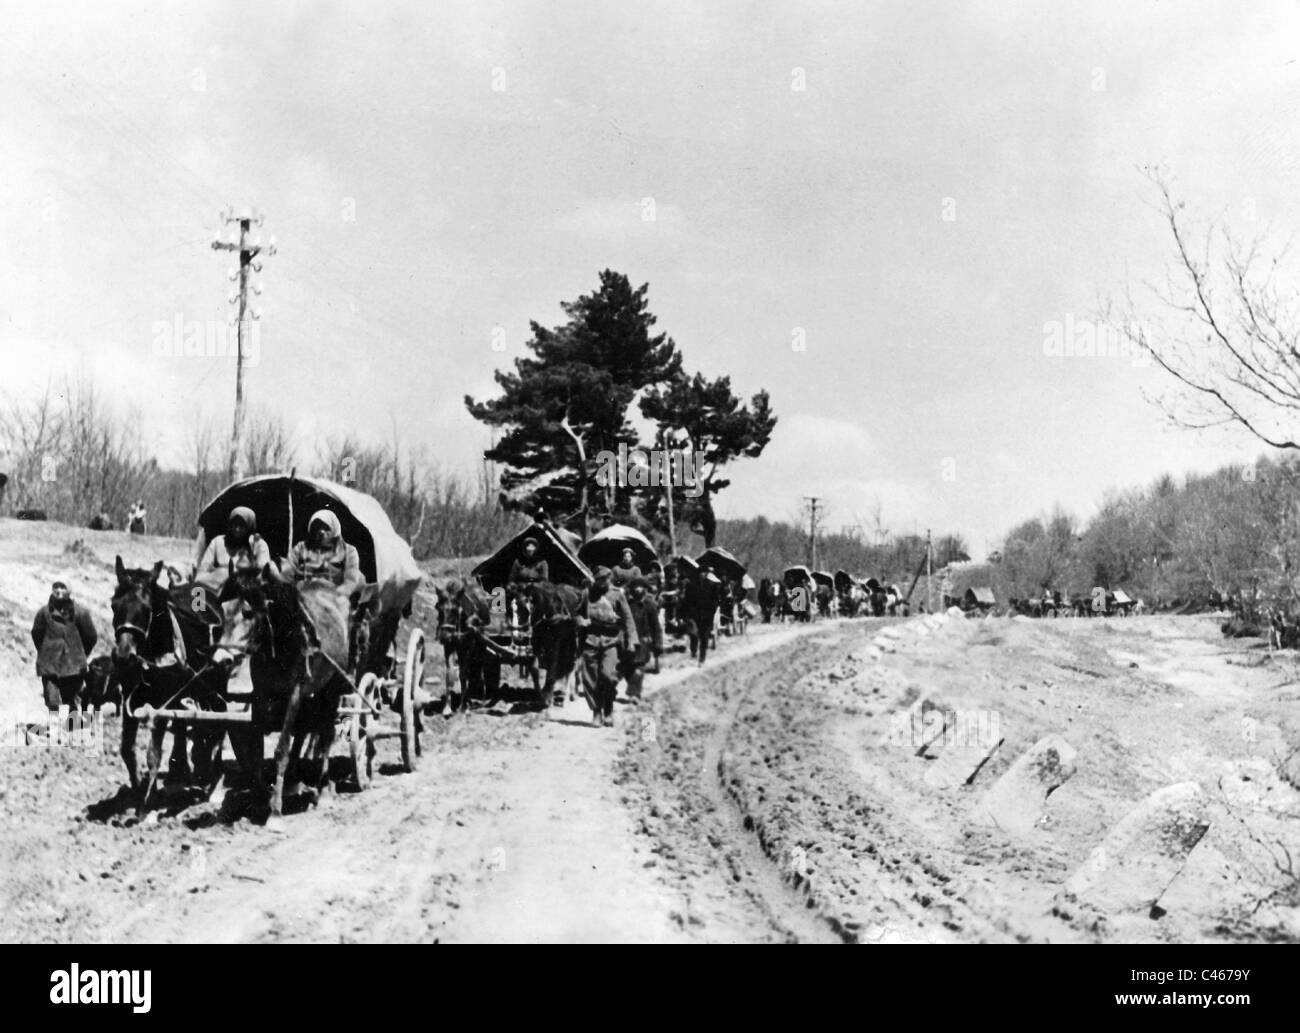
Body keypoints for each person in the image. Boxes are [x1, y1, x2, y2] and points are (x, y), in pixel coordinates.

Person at [31, 581, 98, 733]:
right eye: (56, 587)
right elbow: (36, 633)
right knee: (51, 693)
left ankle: (73, 726)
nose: (59, 591)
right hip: (49, 661)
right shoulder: (44, 613)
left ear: (70, 590)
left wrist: (80, 653)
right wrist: (46, 651)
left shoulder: (81, 613)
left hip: (73, 662)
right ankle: (53, 724)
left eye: (63, 587)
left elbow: (91, 636)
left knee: (72, 694)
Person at [576, 566, 637, 727]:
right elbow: (576, 613)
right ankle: (597, 712)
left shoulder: (617, 594)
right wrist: (581, 621)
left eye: (605, 579)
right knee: (591, 680)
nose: (603, 583)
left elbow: (628, 619)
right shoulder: (587, 594)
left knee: (608, 676)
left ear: (609, 579)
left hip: (611, 641)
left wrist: (631, 641)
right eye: (599, 580)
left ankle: (608, 708)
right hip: (591, 641)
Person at [281, 509, 364, 600]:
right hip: (302, 595)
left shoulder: (348, 551)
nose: (321, 532)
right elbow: (287, 574)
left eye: (326, 528)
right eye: (317, 528)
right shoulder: (300, 548)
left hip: (333, 597)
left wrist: (337, 595)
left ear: (335, 529)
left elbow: (350, 580)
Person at [194, 506, 274, 590]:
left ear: (250, 527)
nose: (237, 529)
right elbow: (203, 569)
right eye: (235, 524)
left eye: (242, 526)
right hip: (216, 589)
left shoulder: (258, 545)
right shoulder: (218, 542)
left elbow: (262, 574)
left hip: (246, 591)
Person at [621, 576, 663, 703]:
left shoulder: (650, 605)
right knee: (628, 667)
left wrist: (657, 642)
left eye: (641, 587)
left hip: (643, 641)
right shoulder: (626, 604)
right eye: (635, 587)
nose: (638, 590)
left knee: (639, 667)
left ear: (645, 589)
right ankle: (633, 689)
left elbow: (656, 626)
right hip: (628, 640)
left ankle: (634, 693)